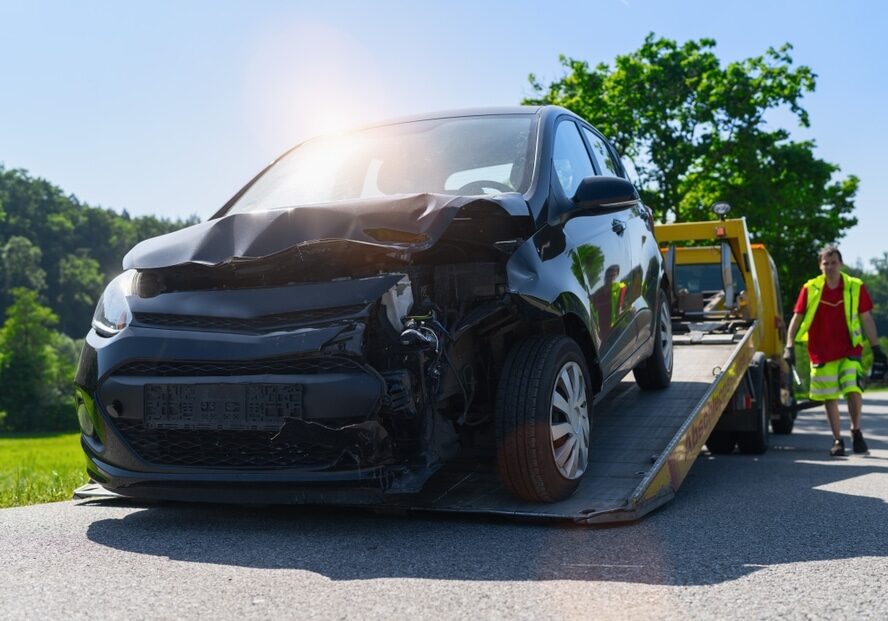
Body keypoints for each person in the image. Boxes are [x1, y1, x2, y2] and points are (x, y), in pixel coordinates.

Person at [784, 245, 887, 456]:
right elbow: (797, 317)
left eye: (833, 263)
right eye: (825, 263)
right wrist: (789, 345)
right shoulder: (810, 288)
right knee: (829, 396)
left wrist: (876, 347)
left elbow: (866, 317)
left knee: (853, 389)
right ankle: (837, 440)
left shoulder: (854, 286)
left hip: (850, 348)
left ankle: (856, 431)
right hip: (821, 352)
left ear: (841, 263)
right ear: (820, 266)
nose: (830, 267)